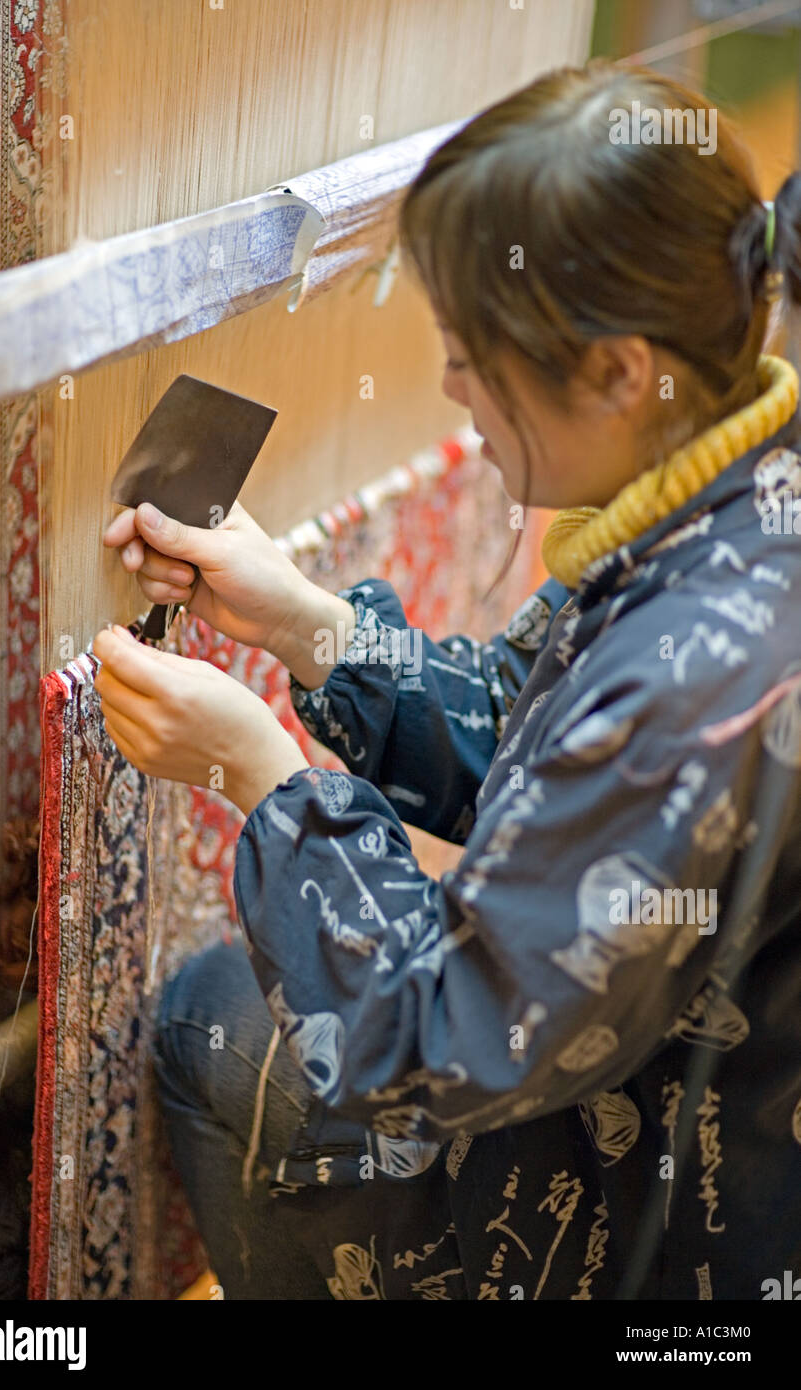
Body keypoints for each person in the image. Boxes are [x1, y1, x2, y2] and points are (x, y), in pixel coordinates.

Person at [92, 59, 801, 1300]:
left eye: (473, 355)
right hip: (654, 1085)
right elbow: (549, 755)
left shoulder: (706, 676)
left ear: (620, 371)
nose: (449, 389)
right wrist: (314, 630)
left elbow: (437, 1041)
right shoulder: (725, 493)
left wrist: (262, 774)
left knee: (219, 1021)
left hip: (666, 1233)